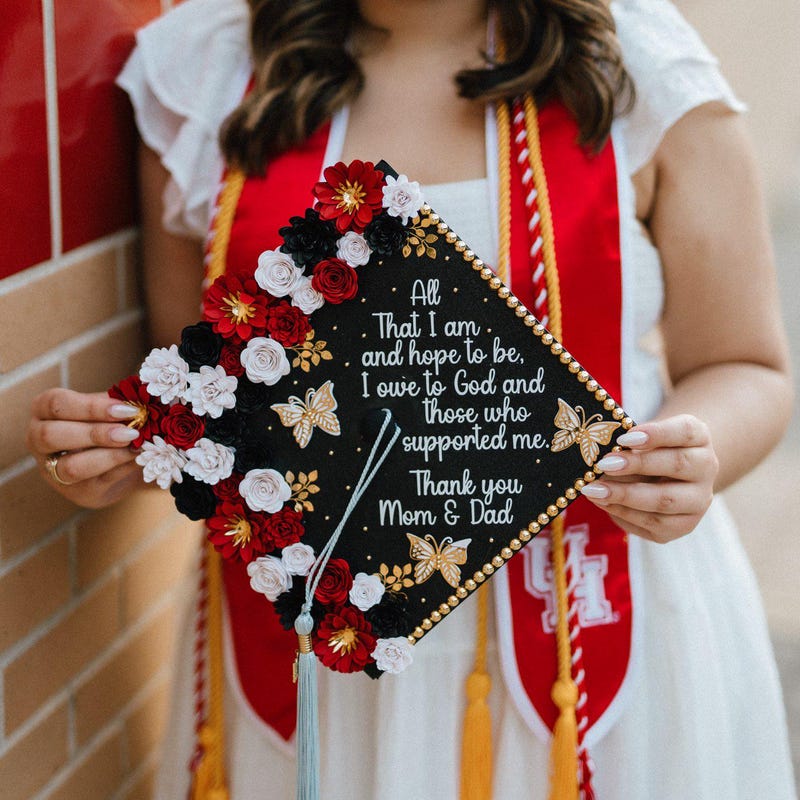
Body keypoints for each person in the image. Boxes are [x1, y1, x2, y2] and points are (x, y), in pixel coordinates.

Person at [26, 0, 797, 797]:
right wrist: (119, 449)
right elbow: (218, 407)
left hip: (592, 629)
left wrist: (690, 454)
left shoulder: (639, 64)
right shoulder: (204, 74)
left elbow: (747, 363)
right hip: (314, 657)